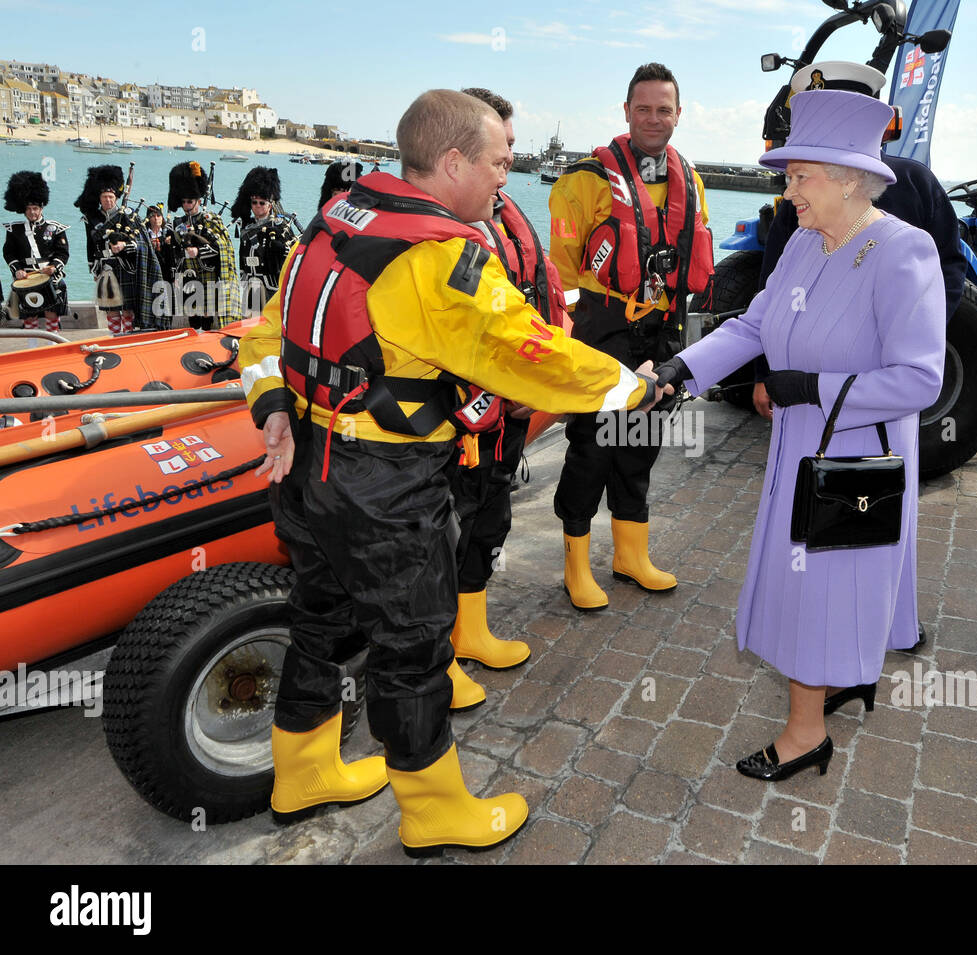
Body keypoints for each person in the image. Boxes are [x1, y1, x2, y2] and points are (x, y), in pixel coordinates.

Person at [238, 89, 668, 855]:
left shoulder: (336, 216)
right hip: (384, 480)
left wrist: (271, 400)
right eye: (500, 164)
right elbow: (526, 352)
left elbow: (268, 326)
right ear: (452, 163)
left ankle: (301, 770)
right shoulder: (443, 255)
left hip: (306, 467)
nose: (508, 178)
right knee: (413, 644)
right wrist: (630, 385)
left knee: (322, 619)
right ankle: (433, 809)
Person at [656, 88, 946, 781]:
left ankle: (805, 732)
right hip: (801, 449)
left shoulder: (903, 252)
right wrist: (680, 368)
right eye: (788, 178)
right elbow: (754, 325)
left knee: (821, 588)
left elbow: (920, 378)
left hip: (854, 459)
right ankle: (842, 679)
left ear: (849, 180)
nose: (788, 193)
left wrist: (811, 389)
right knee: (824, 584)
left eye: (798, 176)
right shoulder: (805, 246)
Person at [754, 60, 965, 654]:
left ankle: (855, 652)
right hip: (815, 397)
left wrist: (913, 327)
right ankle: (843, 659)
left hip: (870, 411)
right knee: (831, 540)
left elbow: (946, 273)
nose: (789, 188)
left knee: (863, 528)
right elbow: (769, 303)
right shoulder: (802, 226)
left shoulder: (913, 197)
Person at [547, 62, 713, 611]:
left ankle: (630, 555)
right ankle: (576, 565)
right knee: (593, 446)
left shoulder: (691, 179)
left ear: (678, 114)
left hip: (660, 333)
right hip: (603, 329)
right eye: (643, 108)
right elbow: (563, 274)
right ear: (626, 111)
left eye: (663, 109)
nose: (653, 118)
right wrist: (570, 343)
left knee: (639, 445)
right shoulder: (584, 180)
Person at [437, 87, 572, 710]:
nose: (509, 164)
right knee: (445, 534)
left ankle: (472, 631)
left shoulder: (508, 216)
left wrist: (534, 383)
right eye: (500, 152)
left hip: (506, 415)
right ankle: (436, 660)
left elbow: (540, 301)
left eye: (512, 149)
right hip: (450, 425)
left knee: (490, 520)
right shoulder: (432, 233)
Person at [75, 165, 165, 335]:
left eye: (111, 197)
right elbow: (90, 245)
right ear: (99, 198)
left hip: (126, 266)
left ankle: (127, 338)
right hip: (105, 267)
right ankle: (114, 337)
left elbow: (140, 243)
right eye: (104, 197)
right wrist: (94, 269)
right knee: (111, 309)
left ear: (116, 197)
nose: (108, 200)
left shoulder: (128, 214)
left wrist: (124, 246)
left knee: (127, 309)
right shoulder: (91, 218)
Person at [168, 161, 238, 330]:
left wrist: (198, 251)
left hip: (207, 274)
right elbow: (174, 252)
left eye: (190, 201)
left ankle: (205, 341)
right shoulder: (178, 222)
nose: (186, 205)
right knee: (191, 311)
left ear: (198, 201)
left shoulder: (210, 219)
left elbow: (221, 246)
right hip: (186, 274)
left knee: (206, 312)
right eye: (183, 201)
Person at [4, 170, 69, 343]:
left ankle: (52, 348)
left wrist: (54, 267)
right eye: (29, 209)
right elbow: (8, 252)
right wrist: (17, 270)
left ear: (41, 208)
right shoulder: (14, 229)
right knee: (30, 317)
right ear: (24, 210)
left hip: (49, 276)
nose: (32, 212)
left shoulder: (55, 228)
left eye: (35, 208)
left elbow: (63, 253)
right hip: (26, 277)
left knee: (51, 313)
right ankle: (32, 350)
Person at [230, 166, 297, 318]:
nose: (258, 206)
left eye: (262, 202)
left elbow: (293, 256)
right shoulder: (246, 228)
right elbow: (242, 255)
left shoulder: (281, 227)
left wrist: (280, 251)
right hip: (251, 285)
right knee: (249, 327)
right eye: (254, 202)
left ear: (270, 204)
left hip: (272, 286)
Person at [142, 202, 181, 285]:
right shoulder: (144, 234)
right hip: (149, 272)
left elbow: (177, 253)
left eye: (158, 216)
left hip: (168, 273)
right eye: (153, 216)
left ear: (162, 218)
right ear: (148, 219)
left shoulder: (170, 233)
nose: (156, 218)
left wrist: (172, 240)